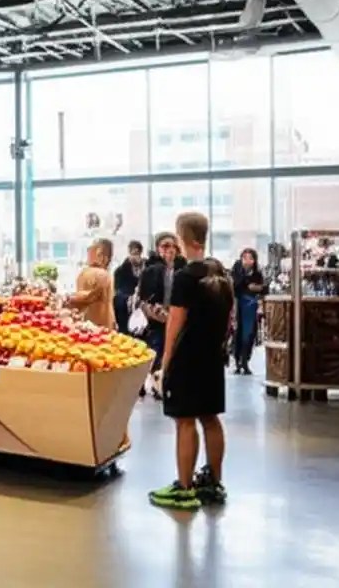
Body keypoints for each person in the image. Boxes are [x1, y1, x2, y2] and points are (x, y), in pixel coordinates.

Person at [148, 212, 233, 511]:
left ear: (185, 238)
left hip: (186, 358)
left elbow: (175, 322)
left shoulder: (186, 277)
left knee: (184, 421)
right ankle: (213, 481)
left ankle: (184, 488)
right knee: (210, 417)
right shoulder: (220, 272)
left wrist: (165, 363)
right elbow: (229, 316)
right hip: (212, 356)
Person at [137, 232, 186, 398]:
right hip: (155, 318)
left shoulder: (182, 270)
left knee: (172, 350)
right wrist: (153, 311)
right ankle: (150, 382)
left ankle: (163, 384)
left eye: (173, 246)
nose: (170, 250)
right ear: (158, 249)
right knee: (156, 349)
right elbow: (142, 297)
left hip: (175, 316)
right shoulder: (150, 270)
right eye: (165, 246)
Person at [231, 249, 267, 375]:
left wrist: (257, 288)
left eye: (250, 258)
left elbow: (263, 288)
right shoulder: (236, 270)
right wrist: (248, 284)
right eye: (244, 258)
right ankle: (238, 360)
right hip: (238, 305)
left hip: (251, 307)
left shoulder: (257, 273)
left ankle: (245, 360)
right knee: (238, 334)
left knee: (249, 334)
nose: (247, 261)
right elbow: (236, 285)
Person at [66, 239, 115, 329]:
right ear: (103, 256)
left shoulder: (82, 273)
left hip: (85, 326)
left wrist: (69, 299)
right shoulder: (103, 275)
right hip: (102, 327)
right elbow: (90, 296)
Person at [113, 240, 145, 334]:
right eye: (132, 253)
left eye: (137, 253)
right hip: (125, 306)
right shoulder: (120, 271)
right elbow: (117, 290)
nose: (134, 257)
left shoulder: (148, 269)